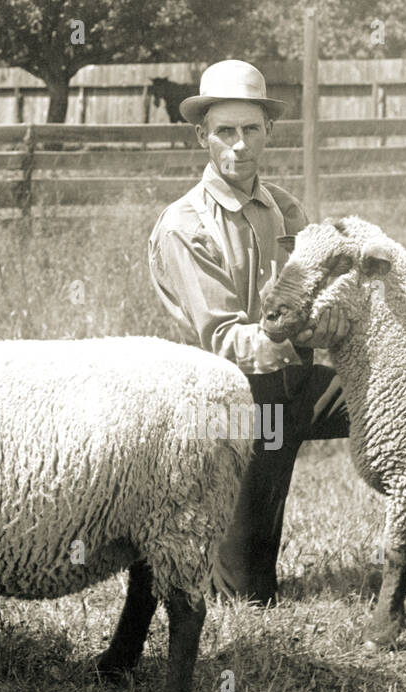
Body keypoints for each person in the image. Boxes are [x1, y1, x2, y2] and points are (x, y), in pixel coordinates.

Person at [148, 61, 351, 606]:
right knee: (246, 593)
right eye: (225, 132)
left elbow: (316, 289)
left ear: (268, 133)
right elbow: (223, 341)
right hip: (232, 401)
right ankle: (227, 569)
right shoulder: (186, 225)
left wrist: (331, 322)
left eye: (251, 130)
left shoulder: (285, 208)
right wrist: (299, 332)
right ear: (202, 136)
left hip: (296, 379)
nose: (239, 146)